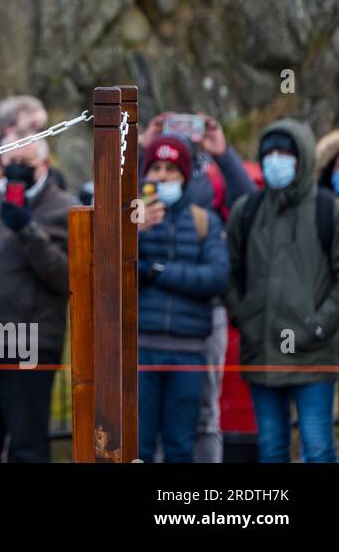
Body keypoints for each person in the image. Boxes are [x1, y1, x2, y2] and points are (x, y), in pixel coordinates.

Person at [225, 120, 339, 463]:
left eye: (285, 153)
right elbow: (228, 272)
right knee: (271, 449)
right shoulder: (248, 210)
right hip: (262, 352)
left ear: (301, 158)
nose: (276, 160)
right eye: (269, 153)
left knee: (318, 449)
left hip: (314, 357)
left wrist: (319, 325)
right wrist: (244, 317)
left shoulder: (327, 209)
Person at [0, 137, 71, 462]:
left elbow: (65, 276)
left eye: (25, 161)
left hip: (28, 344)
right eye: (10, 162)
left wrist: (27, 229)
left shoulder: (62, 208)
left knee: (27, 446)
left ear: (44, 165)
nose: (16, 170)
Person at [135, 134, 229, 463]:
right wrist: (134, 232)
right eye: (155, 168)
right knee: (139, 448)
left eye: (171, 169)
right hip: (142, 350)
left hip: (188, 352)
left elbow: (216, 278)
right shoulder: (131, 219)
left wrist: (157, 271)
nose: (162, 176)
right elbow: (111, 271)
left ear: (185, 176)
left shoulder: (205, 221)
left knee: (180, 447)